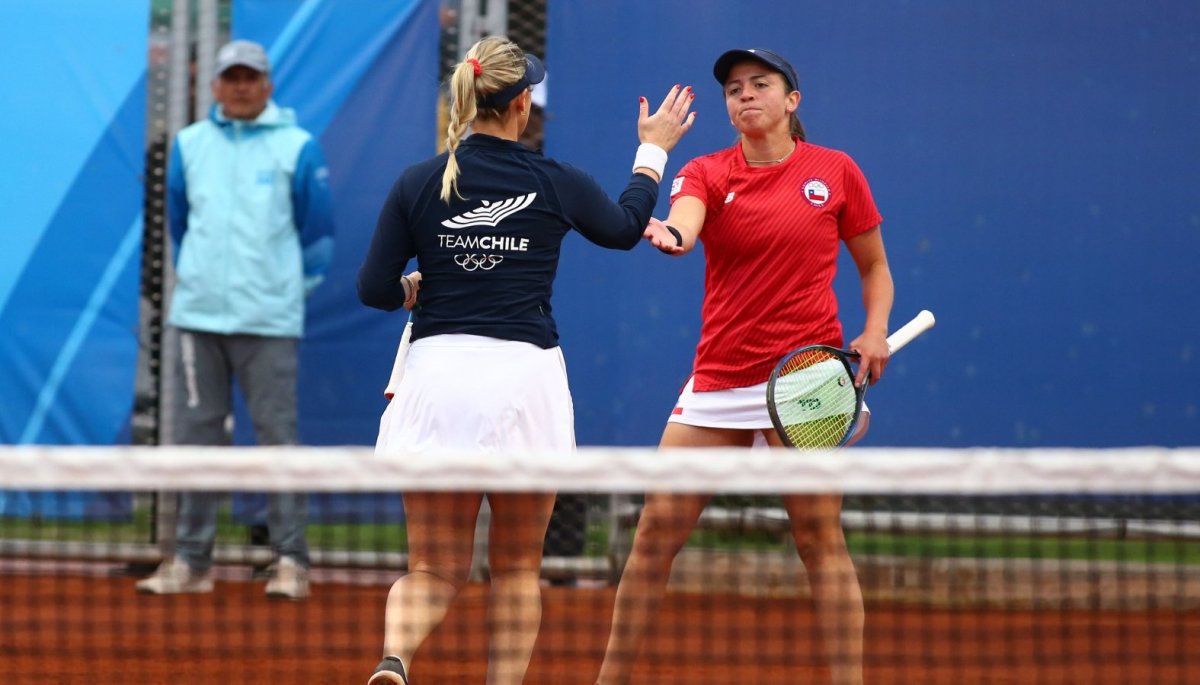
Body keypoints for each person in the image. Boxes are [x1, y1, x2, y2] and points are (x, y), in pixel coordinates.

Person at [356, 36, 693, 685]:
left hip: (437, 379)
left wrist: (409, 288)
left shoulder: (419, 182)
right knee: (515, 568)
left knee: (430, 567)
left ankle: (394, 658)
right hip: (523, 383)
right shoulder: (552, 179)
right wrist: (653, 149)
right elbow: (625, 228)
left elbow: (373, 288)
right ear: (518, 107)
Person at [595, 48, 893, 685]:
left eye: (761, 85)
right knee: (653, 539)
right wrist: (670, 235)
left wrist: (873, 332)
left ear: (792, 101)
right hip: (722, 379)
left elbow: (874, 266)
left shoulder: (836, 172)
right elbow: (684, 225)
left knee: (819, 540)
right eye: (734, 89)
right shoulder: (705, 170)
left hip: (808, 381)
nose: (745, 96)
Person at [136, 39, 335, 600]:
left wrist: (282, 295)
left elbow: (317, 236)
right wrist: (201, 282)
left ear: (268, 85)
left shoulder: (298, 147)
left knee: (278, 441)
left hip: (270, 323)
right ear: (216, 86)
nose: (242, 86)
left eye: (251, 77)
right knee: (195, 442)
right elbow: (179, 225)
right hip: (196, 319)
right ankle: (191, 564)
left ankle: (291, 562)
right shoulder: (189, 145)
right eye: (232, 77)